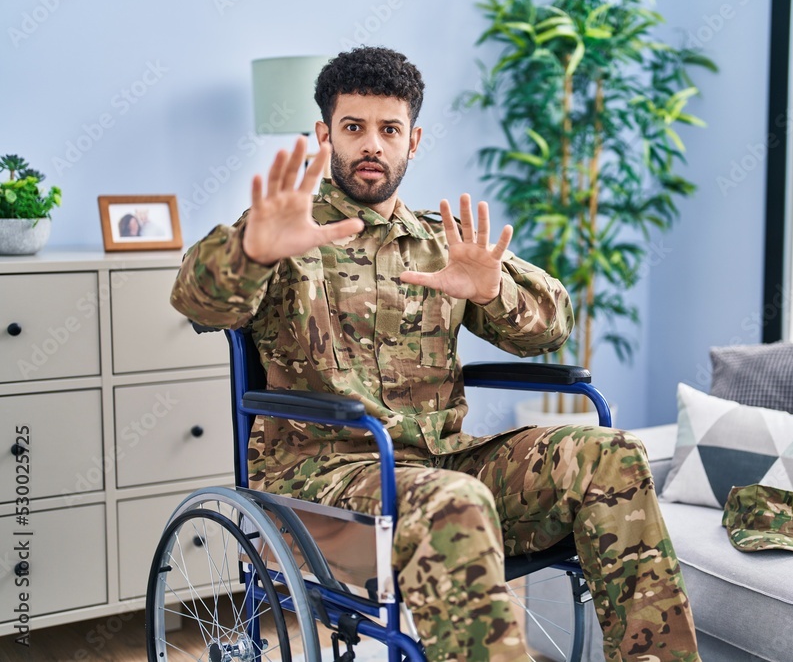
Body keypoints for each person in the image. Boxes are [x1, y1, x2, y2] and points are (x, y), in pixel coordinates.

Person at [171, 46, 699, 662]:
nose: (372, 144)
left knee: (613, 455)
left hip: (443, 462)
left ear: (412, 141)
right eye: (354, 128)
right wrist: (253, 252)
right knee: (454, 500)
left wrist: (494, 290)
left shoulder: (440, 244)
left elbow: (555, 325)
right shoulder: (283, 233)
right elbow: (196, 302)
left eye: (389, 129)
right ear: (325, 135)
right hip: (322, 484)